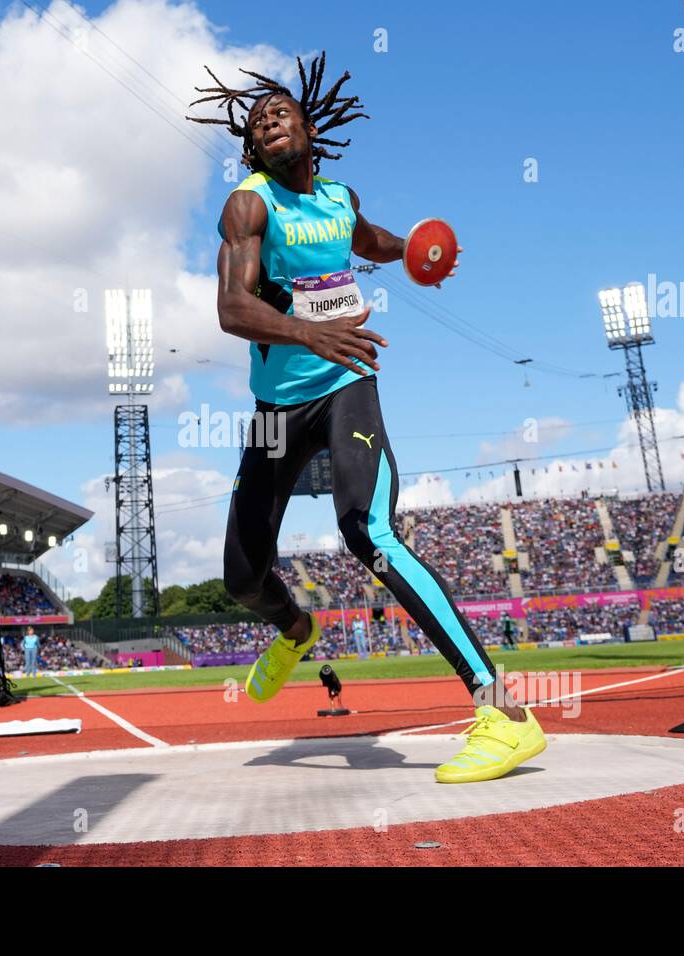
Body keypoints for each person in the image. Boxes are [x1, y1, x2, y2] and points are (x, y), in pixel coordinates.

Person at [188, 53, 545, 783]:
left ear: (310, 129)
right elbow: (232, 308)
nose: (267, 120)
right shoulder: (249, 205)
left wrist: (421, 249)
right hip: (276, 408)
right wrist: (309, 330)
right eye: (258, 123)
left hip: (347, 382)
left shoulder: (339, 200)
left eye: (280, 111)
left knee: (366, 529)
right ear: (253, 150)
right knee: (240, 575)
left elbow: (373, 241)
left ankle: (505, 714)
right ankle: (294, 630)